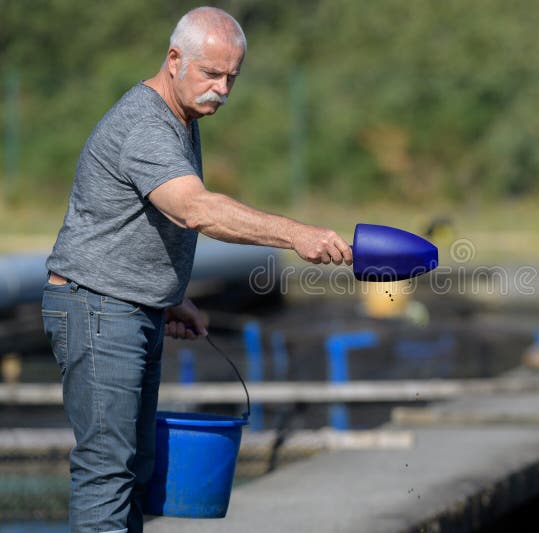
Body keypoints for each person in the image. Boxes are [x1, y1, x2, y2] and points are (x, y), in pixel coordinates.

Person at [41, 7, 352, 532]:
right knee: (106, 471)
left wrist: (166, 296)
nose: (223, 90)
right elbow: (195, 209)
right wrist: (296, 234)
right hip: (96, 309)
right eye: (211, 74)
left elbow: (130, 223)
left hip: (127, 304)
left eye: (232, 77)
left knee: (135, 468)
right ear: (174, 59)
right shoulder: (145, 124)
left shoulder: (181, 116)